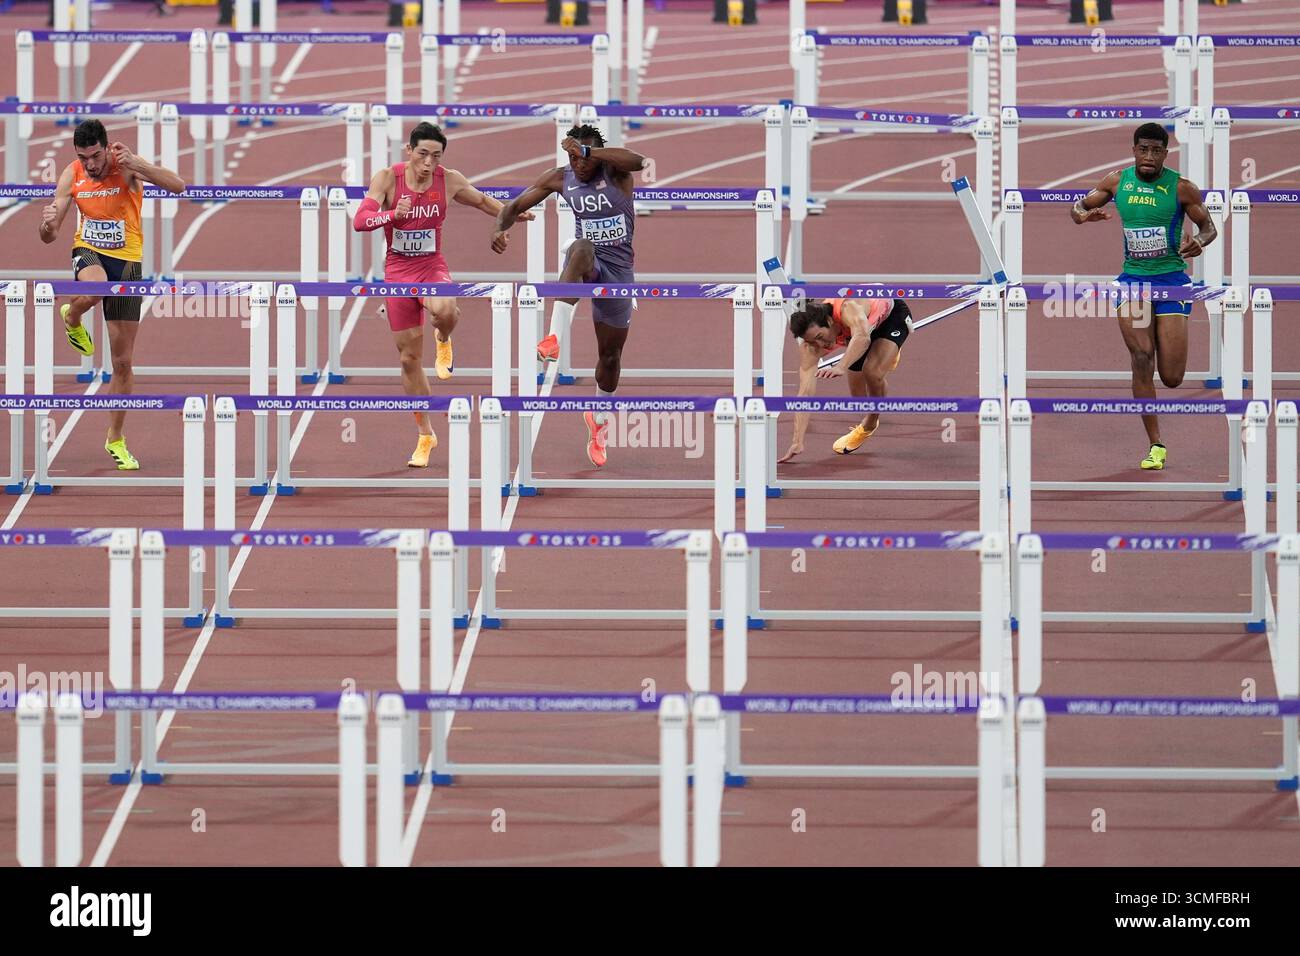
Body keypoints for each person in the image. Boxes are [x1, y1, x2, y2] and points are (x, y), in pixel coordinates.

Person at [353, 122, 528, 468]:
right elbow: (360, 221)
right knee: (408, 360)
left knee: (446, 309)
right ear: (409, 151)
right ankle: (425, 434)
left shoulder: (449, 180)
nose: (428, 163)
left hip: (431, 266)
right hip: (398, 272)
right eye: (422, 154)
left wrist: (508, 220)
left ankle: (443, 335)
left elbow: (482, 201)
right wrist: (392, 214)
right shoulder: (388, 178)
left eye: (436, 156)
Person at [491, 124, 647, 468]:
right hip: (589, 261)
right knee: (580, 247)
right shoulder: (561, 178)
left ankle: (599, 421)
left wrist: (589, 151)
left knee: (610, 358)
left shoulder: (616, 173)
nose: (576, 163)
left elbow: (639, 160)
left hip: (620, 271)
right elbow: (514, 205)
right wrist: (500, 229)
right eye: (571, 157)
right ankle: (553, 339)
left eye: (581, 157)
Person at [38, 118, 185, 471]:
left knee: (122, 363)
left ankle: (115, 438)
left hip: (128, 264)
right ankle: (72, 315)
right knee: (96, 288)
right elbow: (51, 234)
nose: (91, 164)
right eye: (83, 157)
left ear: (106, 147)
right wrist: (46, 225)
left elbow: (178, 186)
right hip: (89, 252)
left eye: (95, 156)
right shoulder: (71, 174)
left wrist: (141, 165)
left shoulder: (126, 165)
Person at [1071, 122, 1217, 471]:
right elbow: (1078, 207)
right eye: (1143, 149)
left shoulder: (1182, 188)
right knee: (1140, 356)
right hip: (1132, 283)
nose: (1149, 156)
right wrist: (1083, 216)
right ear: (1134, 150)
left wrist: (1201, 240)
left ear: (1166, 154)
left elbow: (1209, 226)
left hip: (1171, 284)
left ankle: (1164, 350)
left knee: (1171, 377)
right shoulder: (1117, 181)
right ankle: (1156, 444)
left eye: (1156, 150)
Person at [778, 296, 911, 463]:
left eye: (820, 336)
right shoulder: (811, 346)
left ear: (829, 320)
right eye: (813, 341)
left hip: (889, 317)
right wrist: (797, 441)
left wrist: (841, 366)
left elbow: (862, 338)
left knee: (872, 372)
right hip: (856, 334)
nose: (821, 345)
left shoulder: (849, 308)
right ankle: (879, 354)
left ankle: (869, 424)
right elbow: (804, 394)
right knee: (860, 401)